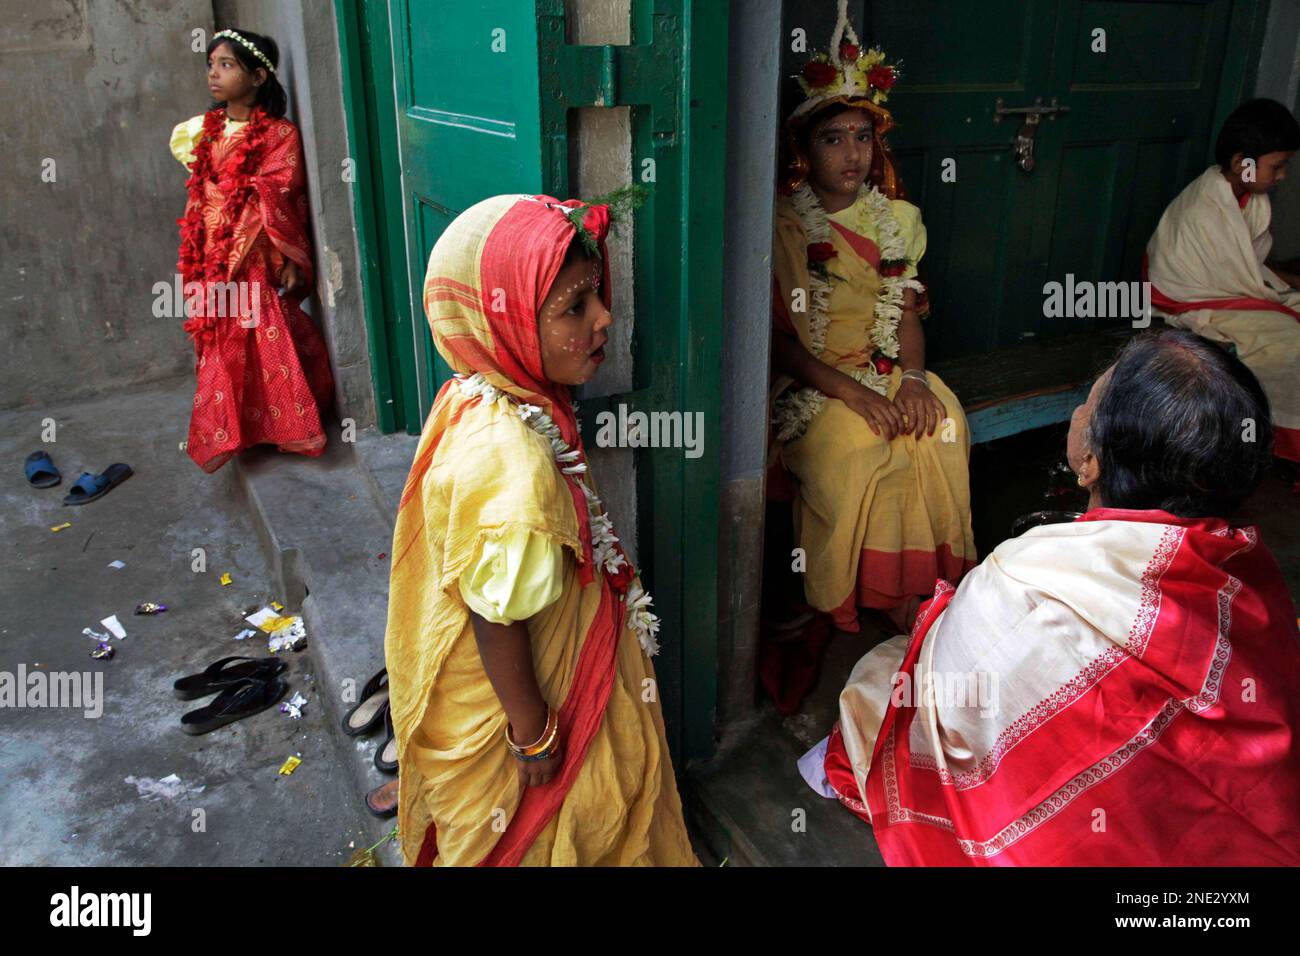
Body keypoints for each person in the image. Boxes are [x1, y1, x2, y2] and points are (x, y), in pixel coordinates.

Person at [804, 330, 1300, 865]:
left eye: (1090, 400)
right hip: (1247, 833)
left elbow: (956, 711)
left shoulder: (1021, 580)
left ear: (1091, 464)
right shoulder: (1243, 565)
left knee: (877, 685)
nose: (1081, 406)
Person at [383, 192, 698, 866]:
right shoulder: (510, 464)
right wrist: (531, 731)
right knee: (562, 824)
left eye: (595, 296)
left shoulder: (479, 392)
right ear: (503, 327)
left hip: (557, 658)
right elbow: (495, 616)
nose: (604, 318)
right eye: (574, 308)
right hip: (536, 707)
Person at [767, 8, 975, 653]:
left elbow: (905, 312)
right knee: (863, 451)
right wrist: (852, 394)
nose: (853, 153)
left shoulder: (898, 219)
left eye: (863, 137)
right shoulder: (783, 225)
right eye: (834, 139)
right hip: (814, 384)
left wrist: (911, 380)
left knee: (940, 427)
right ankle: (847, 593)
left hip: (889, 367)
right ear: (805, 148)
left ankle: (915, 592)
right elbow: (778, 343)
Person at [170, 29, 333, 473]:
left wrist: (286, 257)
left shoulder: (279, 135)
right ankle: (233, 427)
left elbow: (282, 190)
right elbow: (200, 192)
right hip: (210, 252)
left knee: (259, 335)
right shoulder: (203, 131)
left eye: (226, 65)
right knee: (220, 337)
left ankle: (281, 426)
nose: (213, 74)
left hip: (255, 255)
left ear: (258, 75)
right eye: (211, 64)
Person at [1146, 97, 1300, 467]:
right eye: (1277, 167)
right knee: (1285, 341)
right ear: (1240, 164)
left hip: (1228, 291)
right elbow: (1226, 277)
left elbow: (1249, 267)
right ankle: (1276, 437)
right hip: (1189, 301)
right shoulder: (1204, 207)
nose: (1282, 177)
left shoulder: (1248, 197)